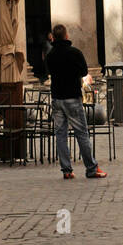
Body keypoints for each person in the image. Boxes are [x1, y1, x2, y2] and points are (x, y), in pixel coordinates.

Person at [45, 24, 107, 180]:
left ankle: (66, 170)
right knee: (81, 133)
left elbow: (49, 71)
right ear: (66, 36)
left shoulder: (50, 55)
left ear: (53, 37)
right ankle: (91, 168)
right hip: (72, 97)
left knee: (60, 135)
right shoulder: (74, 53)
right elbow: (84, 72)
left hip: (57, 98)